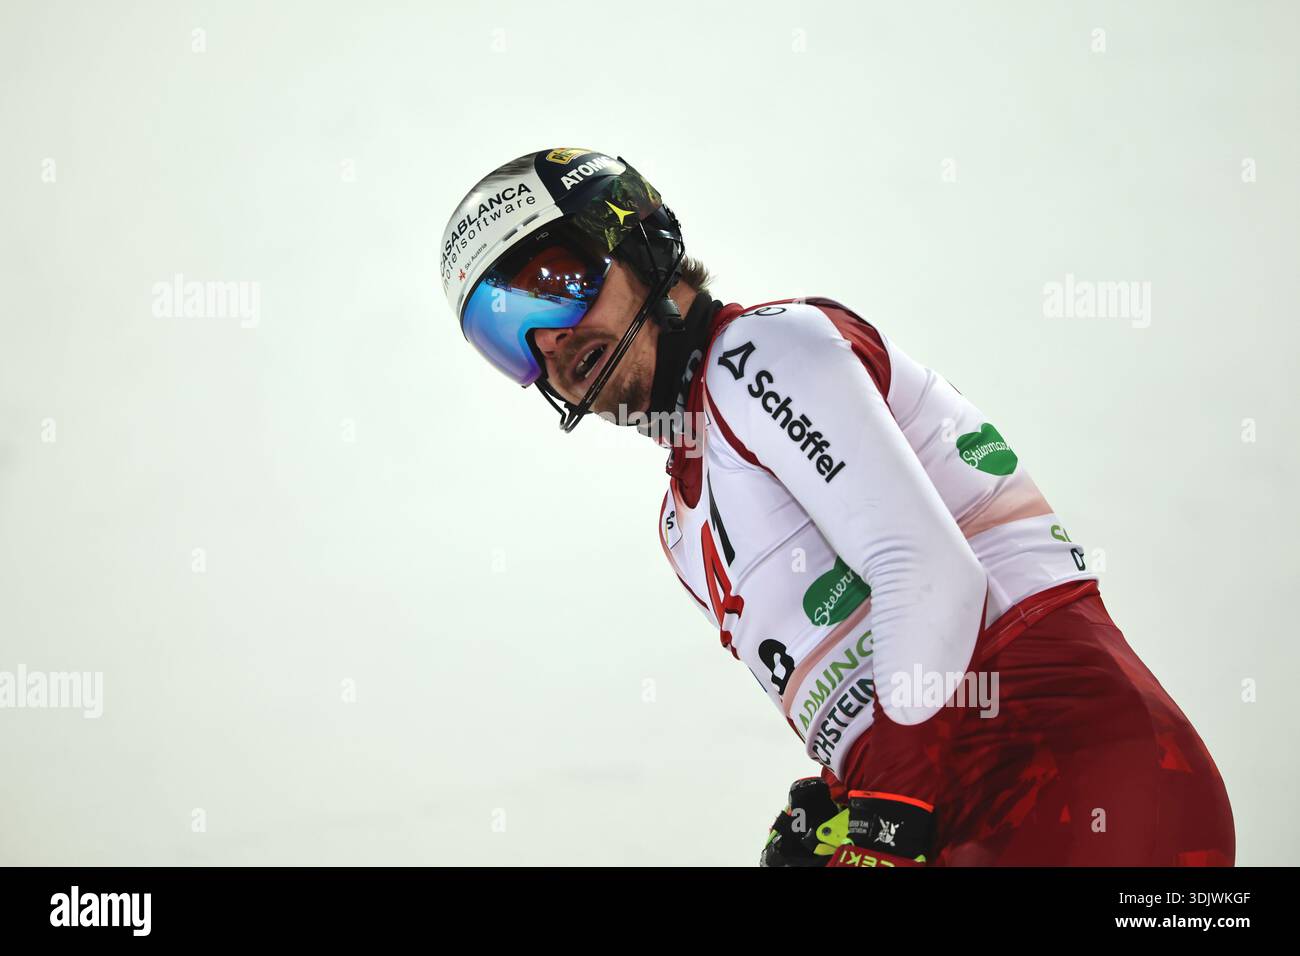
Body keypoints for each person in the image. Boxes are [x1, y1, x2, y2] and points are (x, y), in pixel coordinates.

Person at [440, 148, 1235, 866]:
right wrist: (842, 799)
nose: (546, 340)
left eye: (554, 282)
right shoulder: (681, 526)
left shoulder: (760, 352)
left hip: (1076, 773)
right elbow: (878, 681)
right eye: (505, 332)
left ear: (640, 239)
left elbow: (931, 575)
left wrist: (882, 817)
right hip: (967, 818)